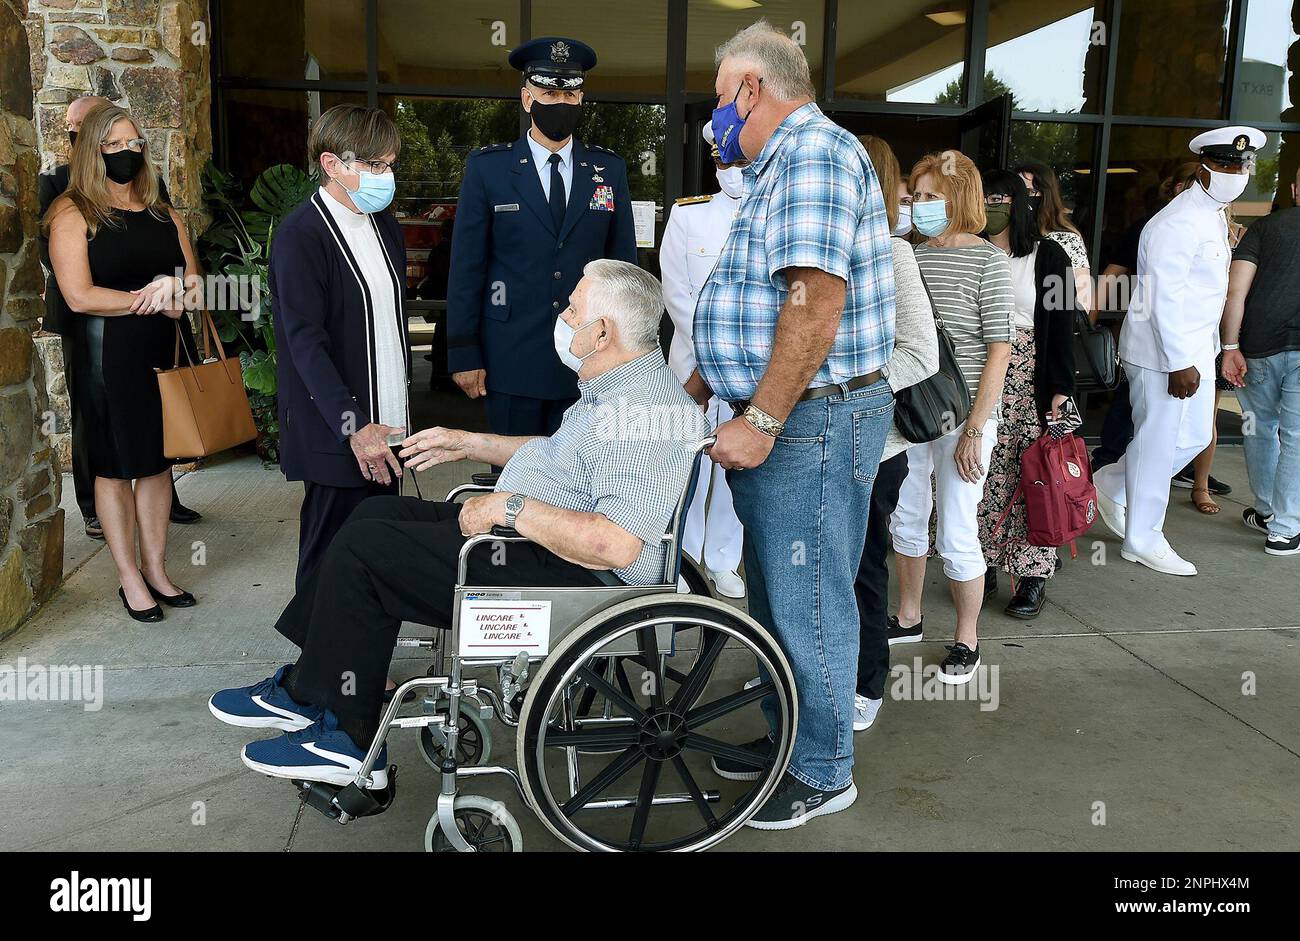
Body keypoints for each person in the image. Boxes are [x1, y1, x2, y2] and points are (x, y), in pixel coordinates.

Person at [208, 261, 709, 787]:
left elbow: (616, 545)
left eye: (573, 308)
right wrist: (467, 441)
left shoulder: (646, 413)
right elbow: (562, 456)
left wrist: (508, 508)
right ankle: (308, 691)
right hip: (535, 538)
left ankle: (349, 740)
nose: (563, 317)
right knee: (372, 512)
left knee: (368, 550)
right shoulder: (616, 388)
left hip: (578, 578)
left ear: (603, 332)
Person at [689, 21, 896, 828]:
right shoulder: (781, 164)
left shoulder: (812, 155)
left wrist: (764, 417)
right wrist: (697, 387)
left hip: (809, 420)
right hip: (790, 419)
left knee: (808, 599)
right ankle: (791, 740)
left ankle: (820, 768)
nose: (716, 122)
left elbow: (814, 303)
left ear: (751, 89)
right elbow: (751, 302)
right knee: (779, 595)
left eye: (719, 102)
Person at [45, 104, 202, 622]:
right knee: (114, 468)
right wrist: (150, 296)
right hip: (105, 356)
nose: (127, 153)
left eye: (135, 143)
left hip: (160, 353)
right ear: (92, 151)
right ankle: (129, 578)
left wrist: (176, 288)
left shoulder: (163, 212)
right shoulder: (73, 214)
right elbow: (80, 295)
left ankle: (156, 569)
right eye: (114, 145)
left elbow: (196, 286)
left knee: (156, 466)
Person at [1092, 126, 1264, 577]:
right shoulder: (1174, 222)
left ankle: (1112, 480)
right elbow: (1161, 296)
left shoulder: (1212, 216)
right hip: (1163, 355)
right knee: (1158, 440)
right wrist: (1177, 363)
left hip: (1195, 349)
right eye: (1227, 164)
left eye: (1243, 166)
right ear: (1204, 168)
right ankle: (1142, 538)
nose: (1236, 173)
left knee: (1189, 439)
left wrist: (1214, 350)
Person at [446, 37, 637, 439]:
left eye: (569, 94)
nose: (560, 103)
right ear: (527, 98)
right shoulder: (490, 170)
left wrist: (627, 352)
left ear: (581, 98)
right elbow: (467, 268)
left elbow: (623, 269)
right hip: (512, 356)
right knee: (516, 480)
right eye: (550, 92)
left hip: (587, 363)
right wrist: (464, 351)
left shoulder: (608, 170)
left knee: (583, 485)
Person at [270, 105, 410, 590]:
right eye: (373, 165)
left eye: (389, 164)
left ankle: (364, 665)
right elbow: (305, 343)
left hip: (388, 428)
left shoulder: (383, 225)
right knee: (330, 555)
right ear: (331, 165)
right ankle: (321, 663)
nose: (385, 176)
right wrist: (354, 427)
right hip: (342, 431)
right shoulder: (301, 235)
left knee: (378, 558)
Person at [888, 150, 1013, 681]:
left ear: (959, 200)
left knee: (959, 528)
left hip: (965, 414)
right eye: (915, 197)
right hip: (912, 407)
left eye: (930, 197)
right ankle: (909, 615)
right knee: (907, 514)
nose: (919, 206)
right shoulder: (906, 255)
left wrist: (975, 433)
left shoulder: (990, 261)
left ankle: (967, 637)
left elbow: (999, 348)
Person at [852, 135, 938, 731]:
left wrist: (856, 395)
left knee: (862, 568)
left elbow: (922, 353)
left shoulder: (894, 253)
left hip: (876, 445)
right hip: (819, 442)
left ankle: (866, 682)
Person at [975, 169, 1078, 619]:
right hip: (978, 378)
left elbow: (1062, 329)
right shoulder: (969, 250)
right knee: (980, 475)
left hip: (1028, 382)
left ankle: (1033, 575)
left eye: (1002, 196)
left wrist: (1059, 390)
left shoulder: (1049, 255)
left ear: (1020, 203)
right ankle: (981, 564)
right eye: (986, 196)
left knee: (1034, 474)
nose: (994, 204)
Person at [660, 123, 746, 599]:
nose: (731, 172)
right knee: (687, 466)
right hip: (691, 368)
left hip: (748, 372)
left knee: (735, 468)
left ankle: (724, 558)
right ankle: (684, 560)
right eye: (722, 162)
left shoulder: (772, 212)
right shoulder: (688, 216)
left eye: (738, 162)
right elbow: (676, 293)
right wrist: (715, 351)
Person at [1090, 163, 1201, 472]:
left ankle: (1184, 469)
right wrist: (1090, 315)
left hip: (1192, 335)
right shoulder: (1151, 226)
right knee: (1131, 401)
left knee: (1192, 421)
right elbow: (1114, 272)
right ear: (1179, 187)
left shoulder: (1211, 226)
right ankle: (1107, 461)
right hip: (1148, 329)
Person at [1220, 164, 1300, 556]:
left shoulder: (1265, 229)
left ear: (1295, 188)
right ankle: (1285, 530)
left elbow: (1235, 292)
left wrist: (1229, 346)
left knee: (1259, 427)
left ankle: (1269, 511)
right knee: (1297, 438)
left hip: (1259, 344)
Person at [1017, 161, 1093, 316]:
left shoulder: (1067, 239)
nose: (1022, 200)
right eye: (1017, 193)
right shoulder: (1004, 237)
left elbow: (1082, 301)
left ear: (1046, 195)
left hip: (1047, 331)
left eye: (1030, 192)